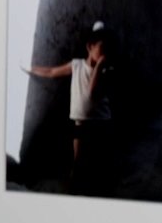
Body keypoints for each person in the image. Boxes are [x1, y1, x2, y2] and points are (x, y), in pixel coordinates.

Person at [24, 21, 116, 186]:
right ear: (90, 47)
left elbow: (93, 91)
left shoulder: (107, 70)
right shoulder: (77, 65)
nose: (106, 52)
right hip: (80, 121)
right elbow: (52, 72)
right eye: (102, 46)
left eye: (108, 47)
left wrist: (101, 64)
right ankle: (72, 189)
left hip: (101, 123)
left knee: (98, 162)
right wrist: (32, 68)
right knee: (77, 162)